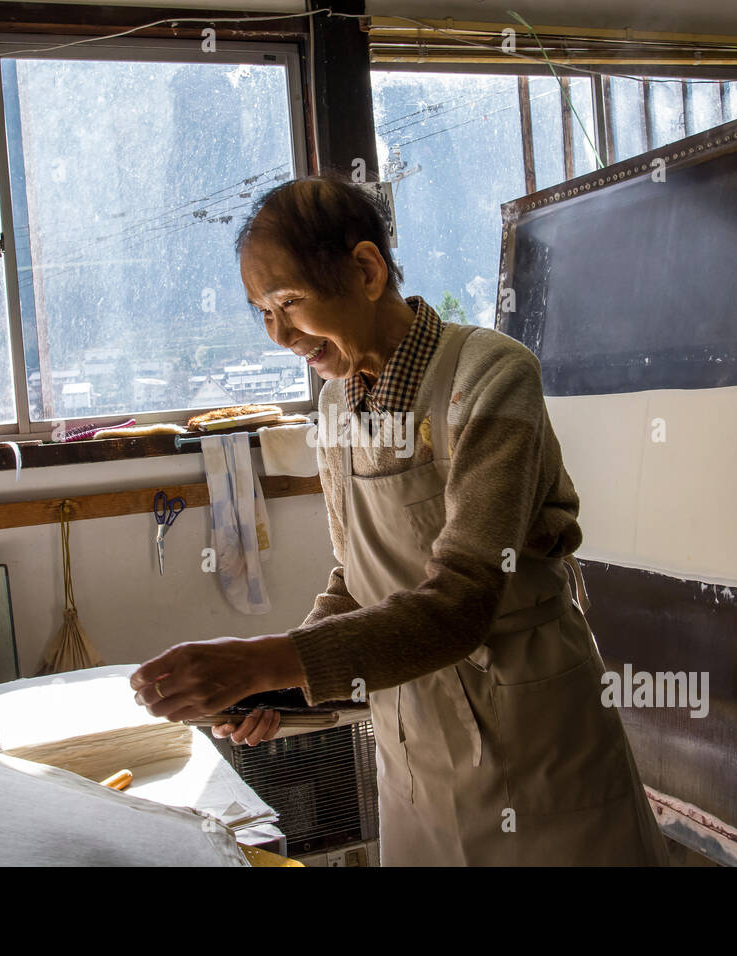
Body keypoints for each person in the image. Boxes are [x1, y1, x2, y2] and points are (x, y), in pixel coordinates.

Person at [132, 176, 668, 866]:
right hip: (412, 740)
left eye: (289, 303)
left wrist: (270, 660)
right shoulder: (334, 406)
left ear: (365, 270)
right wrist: (275, 686)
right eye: (261, 312)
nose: (280, 335)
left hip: (530, 738)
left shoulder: (491, 377)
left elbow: (462, 602)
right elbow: (357, 578)